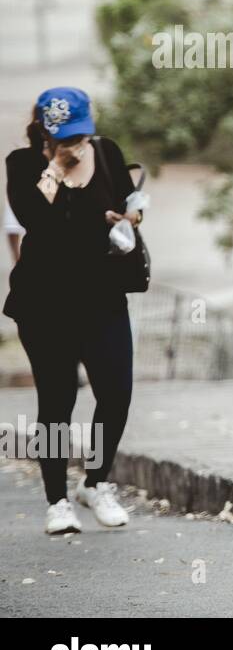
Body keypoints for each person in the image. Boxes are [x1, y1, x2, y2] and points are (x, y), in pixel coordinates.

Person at [5, 87, 141, 534]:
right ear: (44, 129)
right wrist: (57, 169)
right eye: (64, 137)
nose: (74, 144)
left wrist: (129, 217)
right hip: (45, 302)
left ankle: (95, 482)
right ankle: (56, 501)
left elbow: (128, 197)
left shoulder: (106, 152)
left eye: (80, 135)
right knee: (57, 401)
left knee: (116, 392)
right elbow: (31, 217)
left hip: (102, 295)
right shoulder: (22, 164)